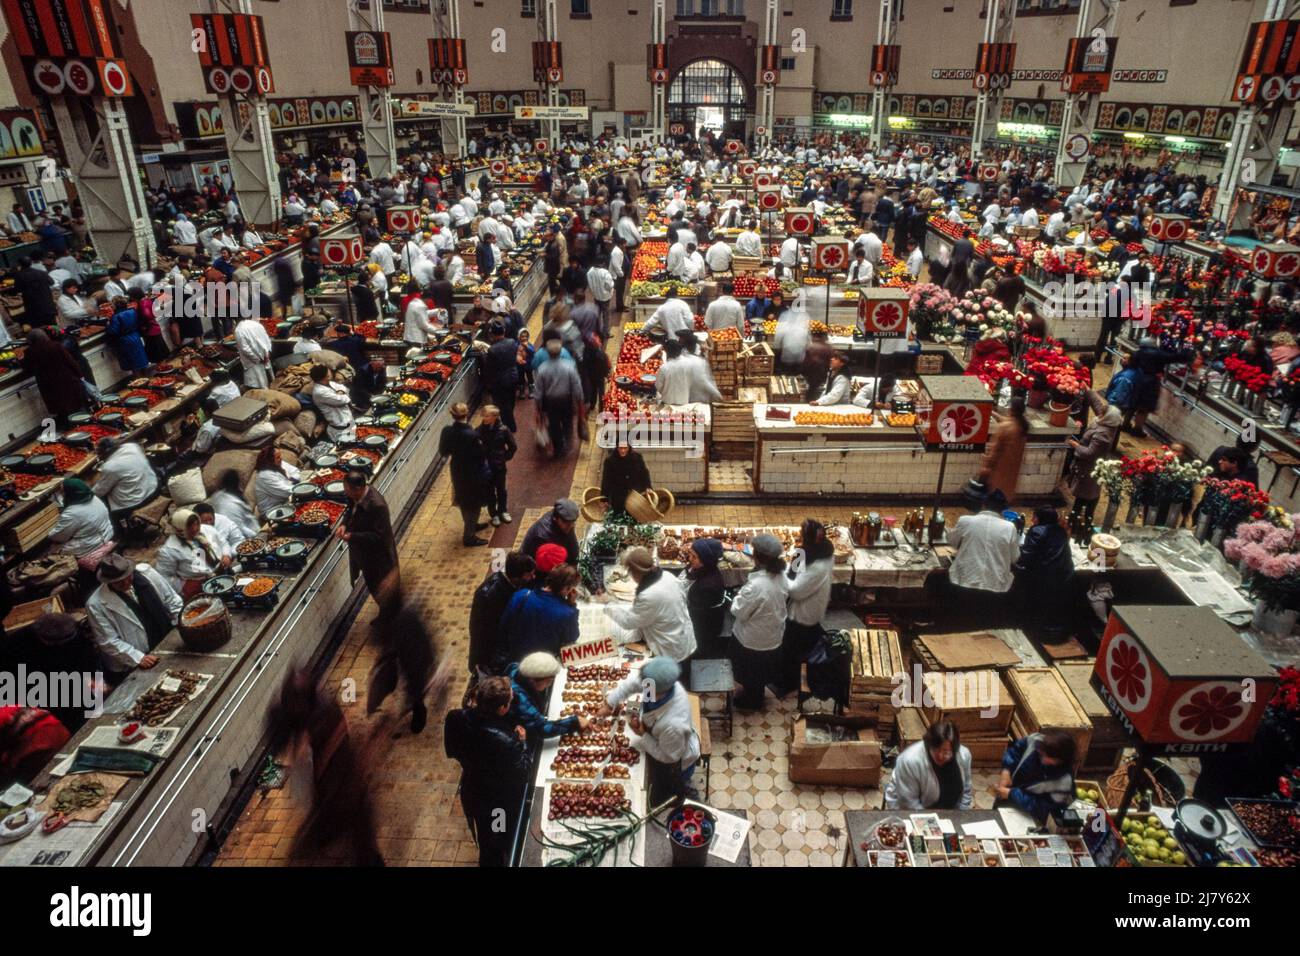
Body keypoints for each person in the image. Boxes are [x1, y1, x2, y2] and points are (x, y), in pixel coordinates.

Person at [265, 667, 384, 866]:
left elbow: (340, 755)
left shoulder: (324, 715)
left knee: (360, 841)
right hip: (333, 791)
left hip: (341, 790)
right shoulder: (299, 712)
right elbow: (279, 735)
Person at [443, 675, 532, 866]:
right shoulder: (506, 742)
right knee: (496, 842)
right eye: (509, 701)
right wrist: (523, 743)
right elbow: (522, 772)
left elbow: (452, 751)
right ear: (501, 708)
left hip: (472, 791)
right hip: (496, 805)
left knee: (486, 837)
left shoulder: (455, 717)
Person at [602, 657, 700, 806]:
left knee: (670, 787)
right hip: (661, 736)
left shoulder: (674, 724)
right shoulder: (660, 687)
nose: (642, 685)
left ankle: (682, 795)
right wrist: (610, 703)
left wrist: (643, 734)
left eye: (646, 684)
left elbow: (668, 756)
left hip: (675, 759)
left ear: (657, 690)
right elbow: (632, 685)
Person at [85, 552, 183, 677]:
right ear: (108, 581)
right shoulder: (95, 604)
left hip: (165, 637)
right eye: (119, 582)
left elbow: (171, 599)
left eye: (128, 577)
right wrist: (137, 657)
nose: (126, 583)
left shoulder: (148, 574)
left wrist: (180, 620)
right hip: (138, 656)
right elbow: (108, 641)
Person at [601, 547, 696, 663]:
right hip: (683, 636)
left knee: (673, 677)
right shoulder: (667, 575)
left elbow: (628, 622)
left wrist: (608, 603)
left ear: (635, 572)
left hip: (671, 648)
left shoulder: (648, 595)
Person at [366, 591, 441, 734]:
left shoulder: (406, 618)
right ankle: (413, 709)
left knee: (415, 690)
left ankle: (417, 712)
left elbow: (422, 642)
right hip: (403, 661)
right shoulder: (398, 618)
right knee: (410, 688)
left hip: (413, 663)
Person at [729, 533, 789, 711]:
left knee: (750, 674)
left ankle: (752, 701)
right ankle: (756, 693)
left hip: (752, 641)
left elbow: (738, 611)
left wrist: (739, 595)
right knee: (761, 672)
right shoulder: (781, 576)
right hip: (772, 636)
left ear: (756, 556)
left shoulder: (757, 586)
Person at [777, 519, 834, 697]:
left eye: (803, 536)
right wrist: (787, 569)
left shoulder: (818, 565)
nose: (800, 539)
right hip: (800, 609)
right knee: (792, 646)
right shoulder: (810, 551)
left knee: (793, 650)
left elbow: (796, 591)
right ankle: (789, 680)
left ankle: (791, 685)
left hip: (805, 614)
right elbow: (793, 569)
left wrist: (780, 574)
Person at [947, 489, 1019, 623]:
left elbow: (952, 541)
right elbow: (1015, 558)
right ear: (1002, 510)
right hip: (996, 586)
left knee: (962, 619)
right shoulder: (1010, 527)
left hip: (964, 581)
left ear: (983, 505)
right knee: (985, 622)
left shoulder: (966, 520)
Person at [337, 470, 400, 609]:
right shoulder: (355, 496)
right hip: (365, 556)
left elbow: (378, 536)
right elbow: (350, 509)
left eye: (347, 489)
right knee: (373, 586)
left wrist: (352, 536)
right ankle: (385, 613)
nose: (345, 492)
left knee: (384, 591)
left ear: (358, 489)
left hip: (379, 558)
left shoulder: (378, 506)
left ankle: (391, 617)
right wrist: (344, 524)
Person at [468, 552, 536, 676]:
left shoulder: (507, 585)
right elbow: (486, 634)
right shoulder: (493, 597)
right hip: (489, 660)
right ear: (517, 577)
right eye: (529, 574)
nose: (533, 577)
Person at [884, 720, 974, 811]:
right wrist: (932, 823)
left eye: (946, 752)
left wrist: (962, 815)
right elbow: (909, 803)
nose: (940, 756)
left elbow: (966, 791)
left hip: (947, 810)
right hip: (910, 808)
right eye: (935, 749)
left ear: (955, 749)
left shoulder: (964, 755)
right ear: (928, 744)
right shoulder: (909, 760)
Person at [1013, 506, 1076, 634]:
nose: (1032, 520)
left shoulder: (1037, 531)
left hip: (1045, 578)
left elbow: (1026, 556)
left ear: (1041, 518)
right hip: (1065, 575)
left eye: (1034, 517)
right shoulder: (1061, 531)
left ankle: (1026, 623)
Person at [505, 651, 589, 743]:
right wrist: (574, 722)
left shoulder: (518, 669)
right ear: (533, 680)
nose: (550, 684)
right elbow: (541, 729)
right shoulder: (518, 697)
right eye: (549, 681)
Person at [996, 730, 1078, 824]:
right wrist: (1006, 771)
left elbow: (1047, 810)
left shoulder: (1064, 782)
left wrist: (1012, 794)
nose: (1045, 759)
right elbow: (1014, 752)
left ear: (1062, 760)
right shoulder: (1034, 741)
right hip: (1006, 800)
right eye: (1043, 754)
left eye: (1051, 758)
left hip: (1030, 818)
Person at [1067, 390, 1123, 526]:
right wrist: (1088, 390)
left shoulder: (1103, 435)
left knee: (1084, 497)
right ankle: (1079, 520)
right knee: (1084, 496)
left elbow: (1090, 453)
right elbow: (1099, 406)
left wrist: (1075, 445)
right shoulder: (1109, 421)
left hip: (1089, 470)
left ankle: (1081, 522)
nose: (1100, 413)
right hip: (1087, 469)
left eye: (1103, 413)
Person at [438, 402, 491, 546]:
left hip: (457, 469)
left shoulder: (447, 431)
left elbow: (443, 451)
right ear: (466, 414)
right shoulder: (472, 435)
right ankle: (469, 536)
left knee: (463, 498)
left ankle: (472, 525)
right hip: (473, 471)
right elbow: (481, 455)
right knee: (474, 503)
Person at [155, 508, 230, 598]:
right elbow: (163, 577)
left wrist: (226, 555)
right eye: (189, 526)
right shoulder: (169, 550)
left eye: (196, 523)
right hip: (198, 586)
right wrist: (183, 586)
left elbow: (223, 542)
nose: (195, 528)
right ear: (179, 529)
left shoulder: (208, 530)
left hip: (221, 572)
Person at [49, 477, 115, 577]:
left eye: (64, 494)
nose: (63, 496)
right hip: (107, 534)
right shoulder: (94, 498)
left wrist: (51, 532)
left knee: (52, 549)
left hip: (90, 546)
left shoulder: (72, 513)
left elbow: (58, 537)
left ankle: (76, 577)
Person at [22, 328, 87, 427]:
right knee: (76, 405)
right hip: (68, 380)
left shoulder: (30, 352)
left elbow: (27, 368)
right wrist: (80, 374)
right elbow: (70, 361)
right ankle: (83, 424)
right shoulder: (56, 346)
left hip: (49, 385)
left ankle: (68, 428)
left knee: (61, 409)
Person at [534, 335, 586, 457]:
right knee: (568, 423)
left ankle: (558, 448)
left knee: (553, 424)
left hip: (550, 402)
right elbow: (576, 386)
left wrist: (538, 406)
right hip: (566, 400)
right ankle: (567, 445)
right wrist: (580, 400)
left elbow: (538, 390)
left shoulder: (542, 368)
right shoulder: (569, 366)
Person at [93, 438, 158, 535]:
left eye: (99, 453)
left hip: (135, 502)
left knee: (103, 500)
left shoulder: (110, 466)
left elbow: (99, 491)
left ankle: (120, 532)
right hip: (153, 488)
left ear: (106, 452)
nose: (99, 456)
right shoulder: (132, 446)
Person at [978, 396, 1029, 503]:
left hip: (998, 469)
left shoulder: (1005, 427)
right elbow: (1007, 421)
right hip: (1012, 471)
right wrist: (991, 412)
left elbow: (994, 451)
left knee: (993, 498)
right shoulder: (1022, 426)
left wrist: (986, 467)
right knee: (1003, 498)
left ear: (1011, 409)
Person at [683, 537, 728, 659]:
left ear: (706, 560)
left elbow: (694, 614)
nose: (689, 559)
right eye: (690, 554)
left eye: (694, 557)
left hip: (704, 626)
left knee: (700, 647)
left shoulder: (708, 585)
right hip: (698, 615)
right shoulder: (699, 568)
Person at [478, 404, 516, 527]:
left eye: (487, 415)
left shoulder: (503, 430)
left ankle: (503, 511)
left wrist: (504, 457)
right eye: (483, 415)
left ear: (494, 417)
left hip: (499, 466)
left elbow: (512, 446)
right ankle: (493, 514)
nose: (484, 418)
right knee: (489, 491)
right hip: (486, 466)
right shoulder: (479, 431)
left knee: (501, 489)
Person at [482, 321, 520, 433]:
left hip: (500, 381)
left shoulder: (492, 350)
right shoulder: (512, 342)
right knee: (511, 401)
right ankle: (510, 423)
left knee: (503, 407)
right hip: (513, 376)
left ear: (493, 334)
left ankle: (510, 428)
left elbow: (489, 369)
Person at [521, 498, 580, 566]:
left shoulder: (566, 524)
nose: (571, 526)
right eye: (567, 523)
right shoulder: (542, 536)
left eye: (572, 522)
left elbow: (574, 551)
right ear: (555, 518)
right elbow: (537, 563)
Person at [600, 441, 652, 516]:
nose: (623, 450)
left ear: (629, 447)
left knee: (635, 519)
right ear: (617, 447)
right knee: (619, 519)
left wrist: (648, 486)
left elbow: (644, 473)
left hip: (635, 496)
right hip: (618, 497)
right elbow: (606, 481)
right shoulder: (610, 461)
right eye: (620, 448)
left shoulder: (637, 458)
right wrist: (604, 499)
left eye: (625, 448)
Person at [209, 469, 260, 542]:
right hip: (239, 540)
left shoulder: (217, 495)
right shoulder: (230, 504)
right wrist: (258, 535)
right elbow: (238, 528)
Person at [309, 364, 356, 443]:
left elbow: (344, 388)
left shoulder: (330, 383)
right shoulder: (319, 392)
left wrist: (341, 392)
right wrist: (343, 394)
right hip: (339, 429)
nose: (331, 373)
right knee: (348, 449)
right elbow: (344, 400)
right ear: (325, 377)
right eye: (328, 373)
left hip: (350, 422)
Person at [253, 445, 300, 516]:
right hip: (273, 509)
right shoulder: (265, 475)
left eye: (280, 456)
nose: (281, 459)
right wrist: (294, 483)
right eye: (278, 457)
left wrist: (291, 480)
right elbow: (286, 492)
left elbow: (296, 471)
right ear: (270, 460)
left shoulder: (279, 463)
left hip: (286, 499)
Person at [106, 297, 149, 373]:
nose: (111, 306)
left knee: (133, 365)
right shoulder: (132, 311)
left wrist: (108, 324)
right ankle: (148, 378)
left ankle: (139, 382)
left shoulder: (116, 317)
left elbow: (113, 331)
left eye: (112, 304)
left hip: (125, 341)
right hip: (136, 337)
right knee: (141, 361)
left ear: (116, 306)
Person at [234, 313, 273, 388]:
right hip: (265, 358)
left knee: (259, 387)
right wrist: (267, 354)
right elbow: (267, 339)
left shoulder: (238, 330)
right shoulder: (257, 324)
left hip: (253, 364)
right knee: (269, 382)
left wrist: (258, 360)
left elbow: (245, 349)